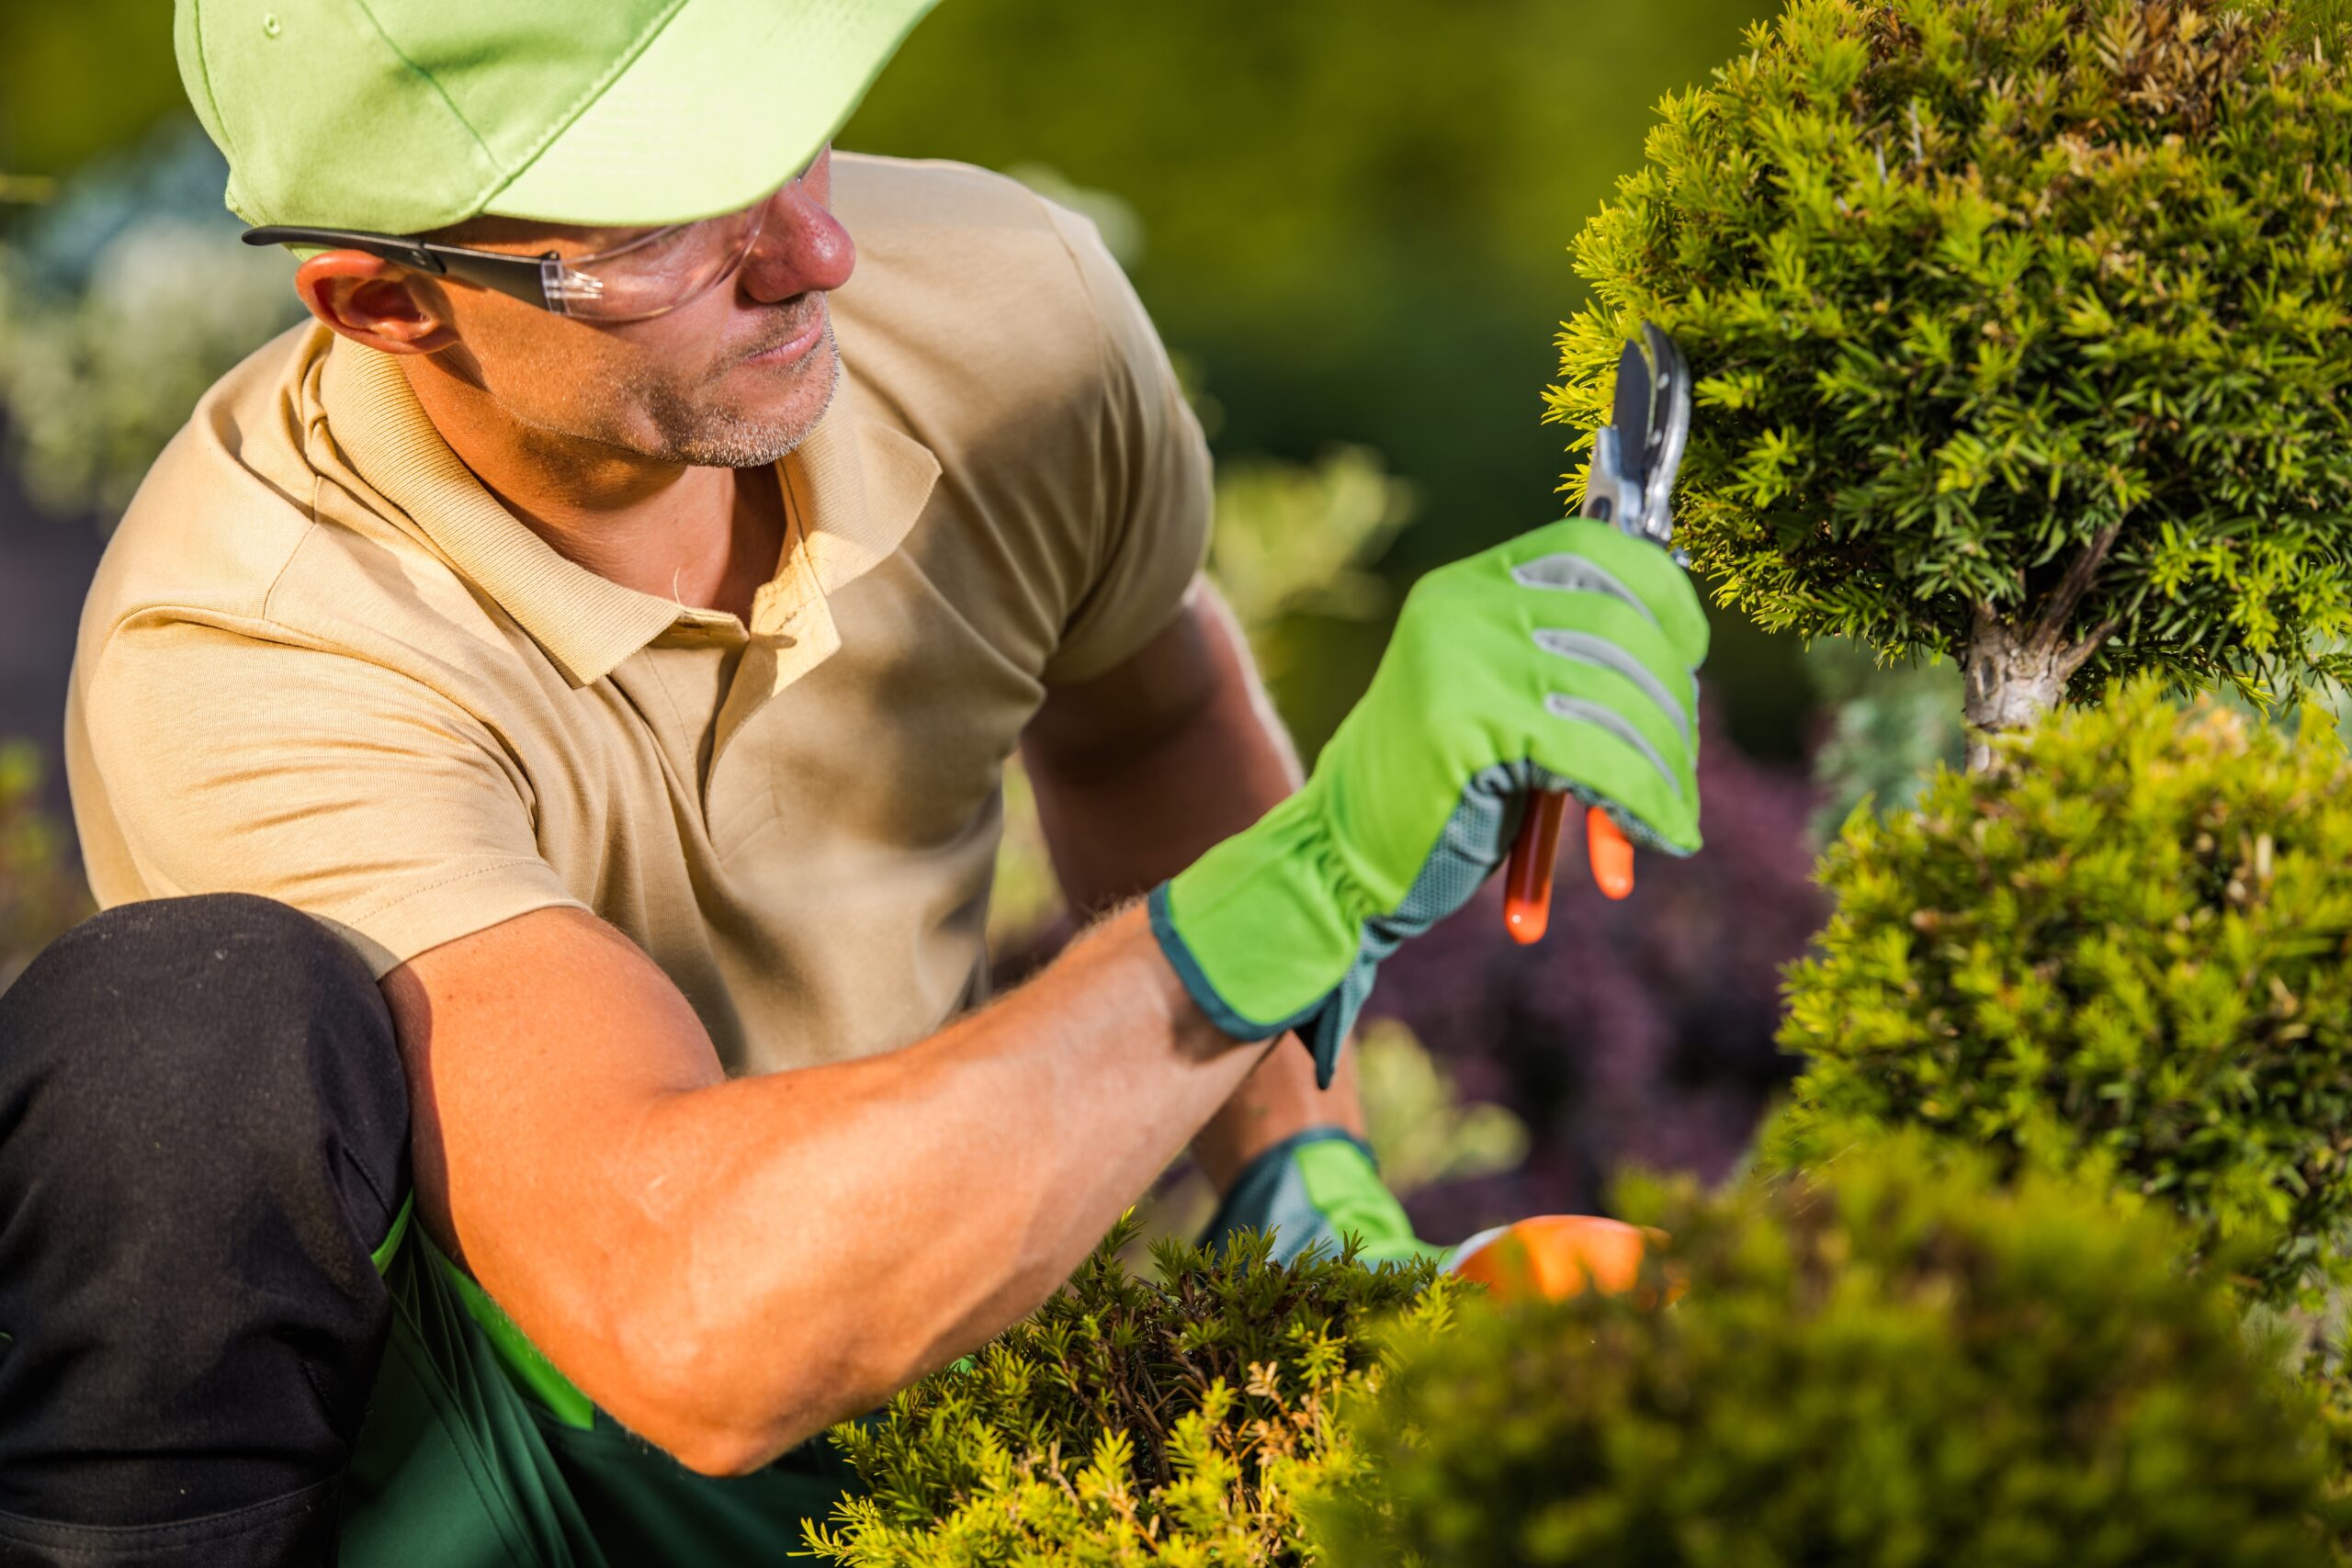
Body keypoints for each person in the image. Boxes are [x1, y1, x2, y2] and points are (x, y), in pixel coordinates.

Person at [0, 0, 1709, 1562]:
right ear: (390, 302)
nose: (817, 249)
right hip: (532, 1442)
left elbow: (1144, 728)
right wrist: (1314, 881)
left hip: (919, 1315)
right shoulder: (253, 648)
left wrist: (1298, 1185)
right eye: (668, 222)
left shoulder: (999, 313)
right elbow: (683, 1319)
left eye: (785, 131)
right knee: (182, 1031)